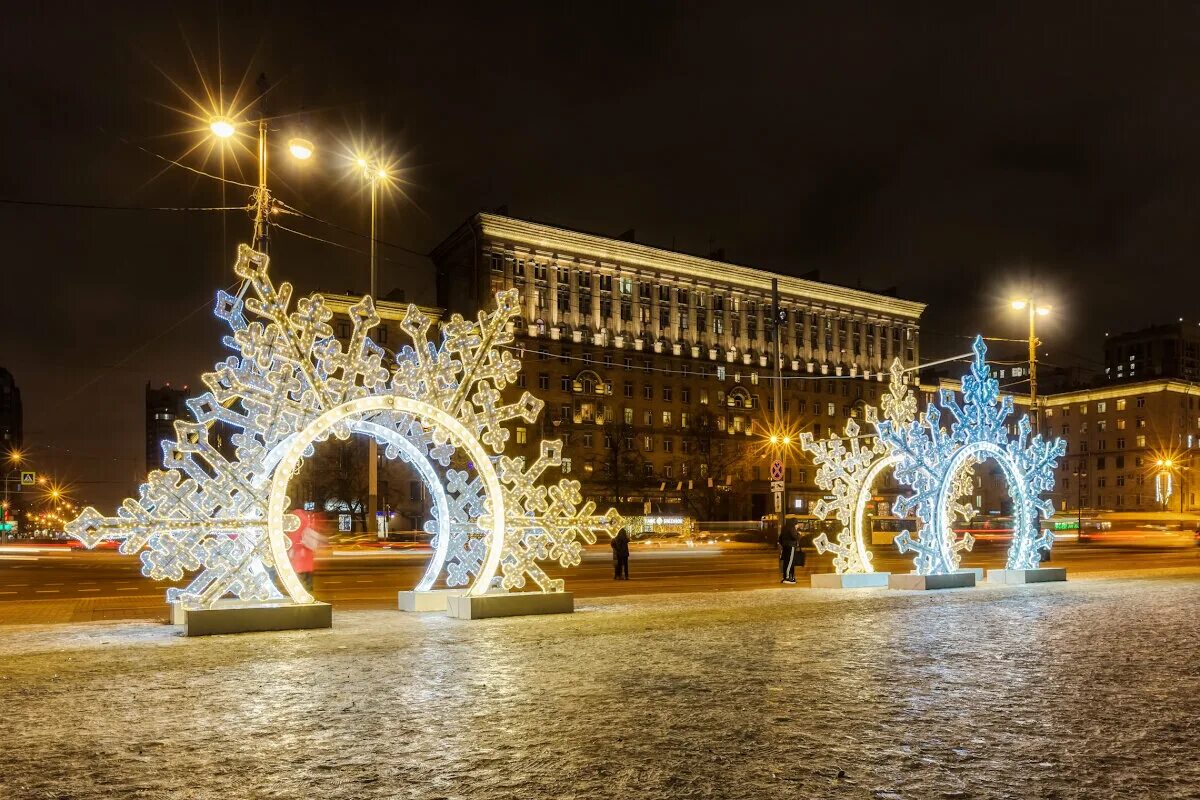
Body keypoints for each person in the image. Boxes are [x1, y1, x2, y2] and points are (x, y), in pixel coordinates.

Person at [287, 508, 326, 591]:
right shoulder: (307, 519)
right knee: (307, 586)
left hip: (298, 561)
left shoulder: (297, 518)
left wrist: (292, 550)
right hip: (307, 561)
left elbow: (294, 537)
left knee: (299, 587)